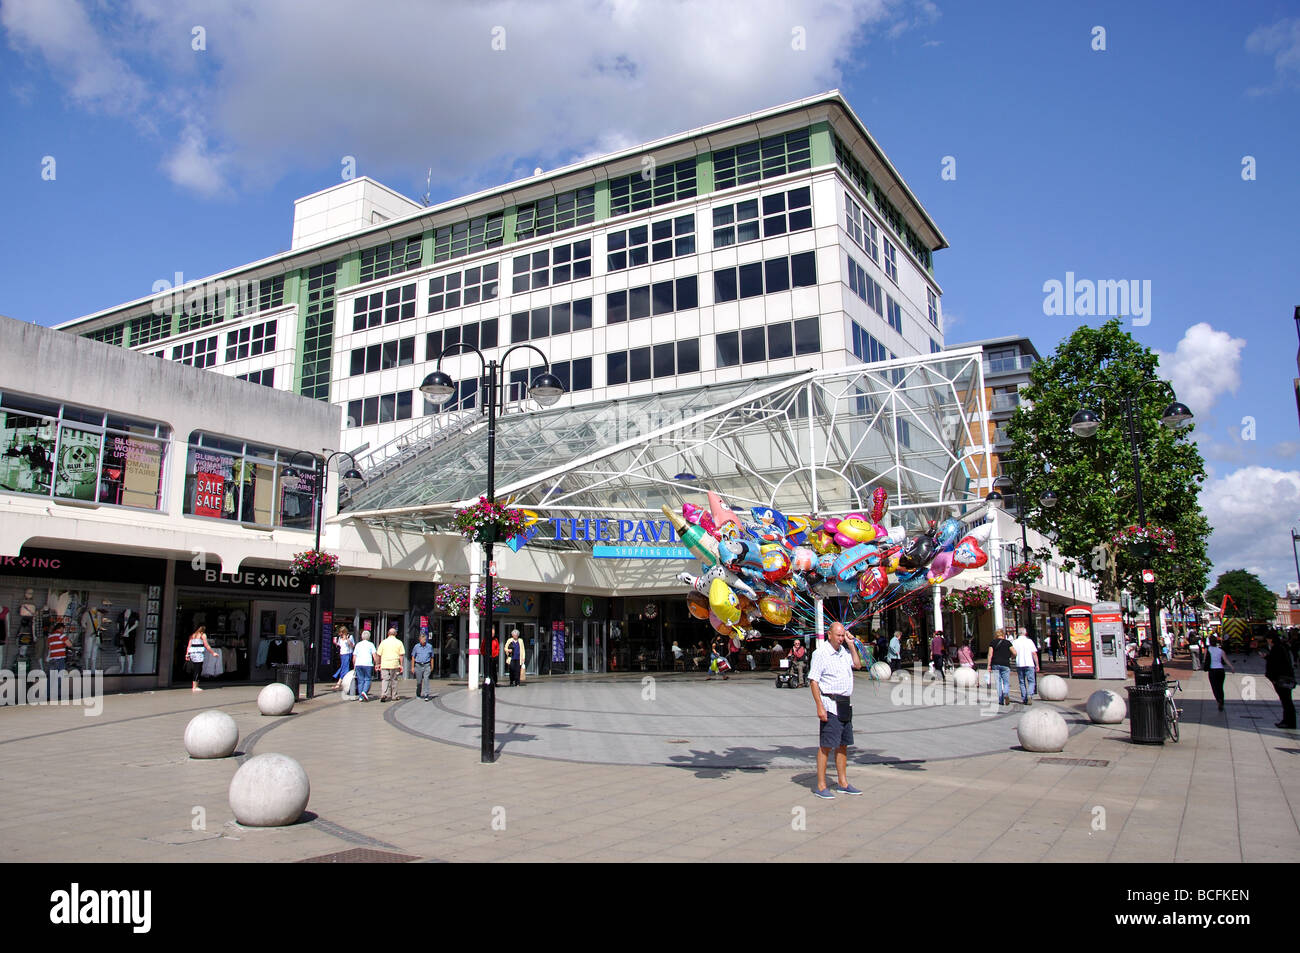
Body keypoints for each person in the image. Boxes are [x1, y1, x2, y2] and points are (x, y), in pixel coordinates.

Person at [809, 621, 864, 798]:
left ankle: (842, 782)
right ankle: (821, 785)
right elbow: (814, 681)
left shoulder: (844, 653)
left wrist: (851, 645)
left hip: (845, 704)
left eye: (843, 635)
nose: (841, 639)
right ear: (829, 634)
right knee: (826, 745)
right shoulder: (821, 654)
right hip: (830, 704)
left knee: (843, 745)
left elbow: (857, 665)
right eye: (838, 635)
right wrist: (819, 706)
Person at [1264, 632, 1296, 730]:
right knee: (1286, 701)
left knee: (1286, 701)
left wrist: (1273, 678)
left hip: (1281, 679)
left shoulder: (1276, 649)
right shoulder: (1281, 647)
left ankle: (1289, 722)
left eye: (1268, 640)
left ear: (1271, 640)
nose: (1267, 642)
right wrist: (1267, 657)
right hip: (1285, 677)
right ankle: (1287, 721)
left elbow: (1276, 664)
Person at [1204, 635, 1233, 712]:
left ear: (1210, 642)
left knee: (1214, 687)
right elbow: (1226, 660)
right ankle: (1221, 701)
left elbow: (1204, 659)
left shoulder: (1207, 649)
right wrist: (1231, 667)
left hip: (1212, 670)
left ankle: (1218, 701)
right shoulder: (1221, 650)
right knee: (1220, 687)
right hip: (1220, 670)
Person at [185, 624, 218, 693]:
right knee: (198, 669)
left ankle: (195, 685)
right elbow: (206, 645)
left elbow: (189, 646)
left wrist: (187, 654)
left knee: (196, 668)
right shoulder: (203, 635)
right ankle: (195, 686)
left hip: (193, 653)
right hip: (199, 653)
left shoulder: (192, 635)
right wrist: (213, 653)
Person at [986, 627, 1014, 707]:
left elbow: (990, 654)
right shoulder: (1008, 643)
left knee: (998, 682)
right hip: (1005, 664)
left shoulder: (992, 643)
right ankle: (1006, 693)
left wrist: (989, 665)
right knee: (1006, 681)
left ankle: (1000, 700)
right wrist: (1011, 657)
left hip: (995, 664)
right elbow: (1015, 652)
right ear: (1003, 635)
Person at [1011, 626, 1039, 704]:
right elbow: (1034, 653)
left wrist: (1012, 658)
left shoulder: (1015, 642)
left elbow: (1013, 654)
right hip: (1029, 663)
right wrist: (1037, 665)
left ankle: (1024, 698)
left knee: (1022, 681)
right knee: (1031, 681)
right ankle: (1030, 694)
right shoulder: (1029, 641)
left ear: (1018, 633)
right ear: (1025, 633)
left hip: (1019, 664)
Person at [377, 627, 405, 702]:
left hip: (385, 663)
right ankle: (394, 696)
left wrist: (378, 663)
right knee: (394, 680)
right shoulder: (399, 642)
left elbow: (378, 654)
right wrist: (401, 665)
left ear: (388, 634)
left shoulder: (383, 642)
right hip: (394, 664)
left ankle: (384, 694)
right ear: (395, 634)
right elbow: (401, 655)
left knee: (385, 679)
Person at [46, 621, 71, 698]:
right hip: (60, 659)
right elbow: (69, 644)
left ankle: (48, 694)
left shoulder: (50, 636)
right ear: (61, 628)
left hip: (52, 659)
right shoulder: (61, 635)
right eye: (63, 629)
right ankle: (55, 694)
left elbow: (49, 647)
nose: (64, 630)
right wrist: (64, 644)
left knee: (51, 678)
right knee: (60, 676)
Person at [352, 630, 377, 702]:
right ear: (369, 637)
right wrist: (377, 663)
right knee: (368, 679)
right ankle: (364, 692)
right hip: (368, 664)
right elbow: (374, 655)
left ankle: (360, 697)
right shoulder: (371, 644)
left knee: (360, 680)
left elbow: (354, 657)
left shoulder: (358, 644)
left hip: (358, 664)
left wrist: (354, 665)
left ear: (362, 637)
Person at [411, 631, 436, 700]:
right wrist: (412, 667)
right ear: (420, 639)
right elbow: (413, 657)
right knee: (419, 682)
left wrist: (432, 666)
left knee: (426, 679)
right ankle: (418, 694)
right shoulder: (416, 647)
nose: (424, 641)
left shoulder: (429, 646)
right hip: (418, 665)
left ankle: (426, 694)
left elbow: (432, 657)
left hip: (426, 665)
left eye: (425, 639)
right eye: (422, 639)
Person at [332, 625, 354, 690]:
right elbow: (339, 645)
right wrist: (335, 643)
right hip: (342, 654)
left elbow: (352, 645)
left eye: (341, 632)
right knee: (343, 667)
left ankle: (339, 682)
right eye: (340, 632)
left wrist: (347, 639)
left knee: (345, 668)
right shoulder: (339, 638)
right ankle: (340, 681)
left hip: (348, 653)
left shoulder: (350, 637)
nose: (340, 634)